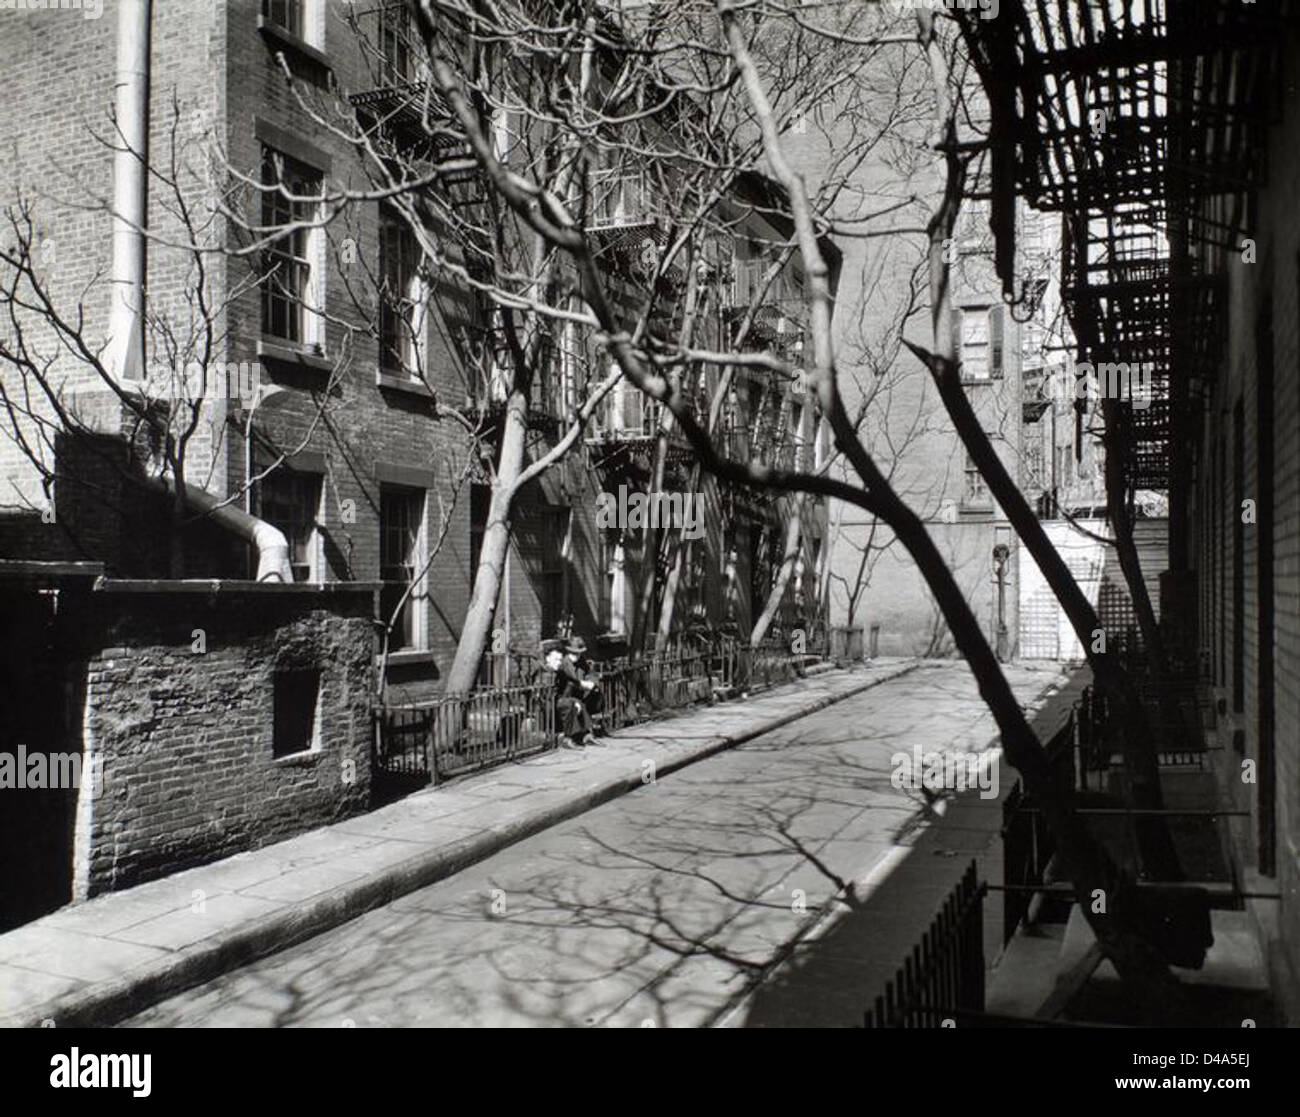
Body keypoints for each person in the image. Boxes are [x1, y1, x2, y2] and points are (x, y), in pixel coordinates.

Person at [542, 638, 594, 748]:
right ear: (547, 659)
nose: (559, 663)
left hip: (559, 699)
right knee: (571, 704)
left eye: (559, 660)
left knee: (578, 702)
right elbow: (546, 694)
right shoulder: (547, 673)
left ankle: (586, 734)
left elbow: (587, 675)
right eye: (556, 660)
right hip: (550, 702)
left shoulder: (557, 671)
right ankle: (568, 737)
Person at [565, 636, 605, 741]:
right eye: (574, 653)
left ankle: (588, 730)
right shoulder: (566, 663)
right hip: (567, 695)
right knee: (577, 705)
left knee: (597, 695)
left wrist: (592, 683)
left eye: (579, 653)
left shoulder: (581, 661)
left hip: (580, 694)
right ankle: (580, 734)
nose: (577, 656)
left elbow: (590, 673)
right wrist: (582, 683)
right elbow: (571, 679)